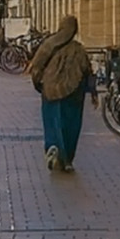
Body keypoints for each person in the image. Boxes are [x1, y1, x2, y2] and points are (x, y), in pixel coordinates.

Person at [29, 15, 92, 173]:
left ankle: (53, 147)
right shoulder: (79, 49)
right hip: (74, 94)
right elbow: (87, 71)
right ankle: (67, 158)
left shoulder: (49, 44)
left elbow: (36, 67)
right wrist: (93, 92)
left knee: (52, 123)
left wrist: (39, 85)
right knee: (71, 125)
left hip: (50, 92)